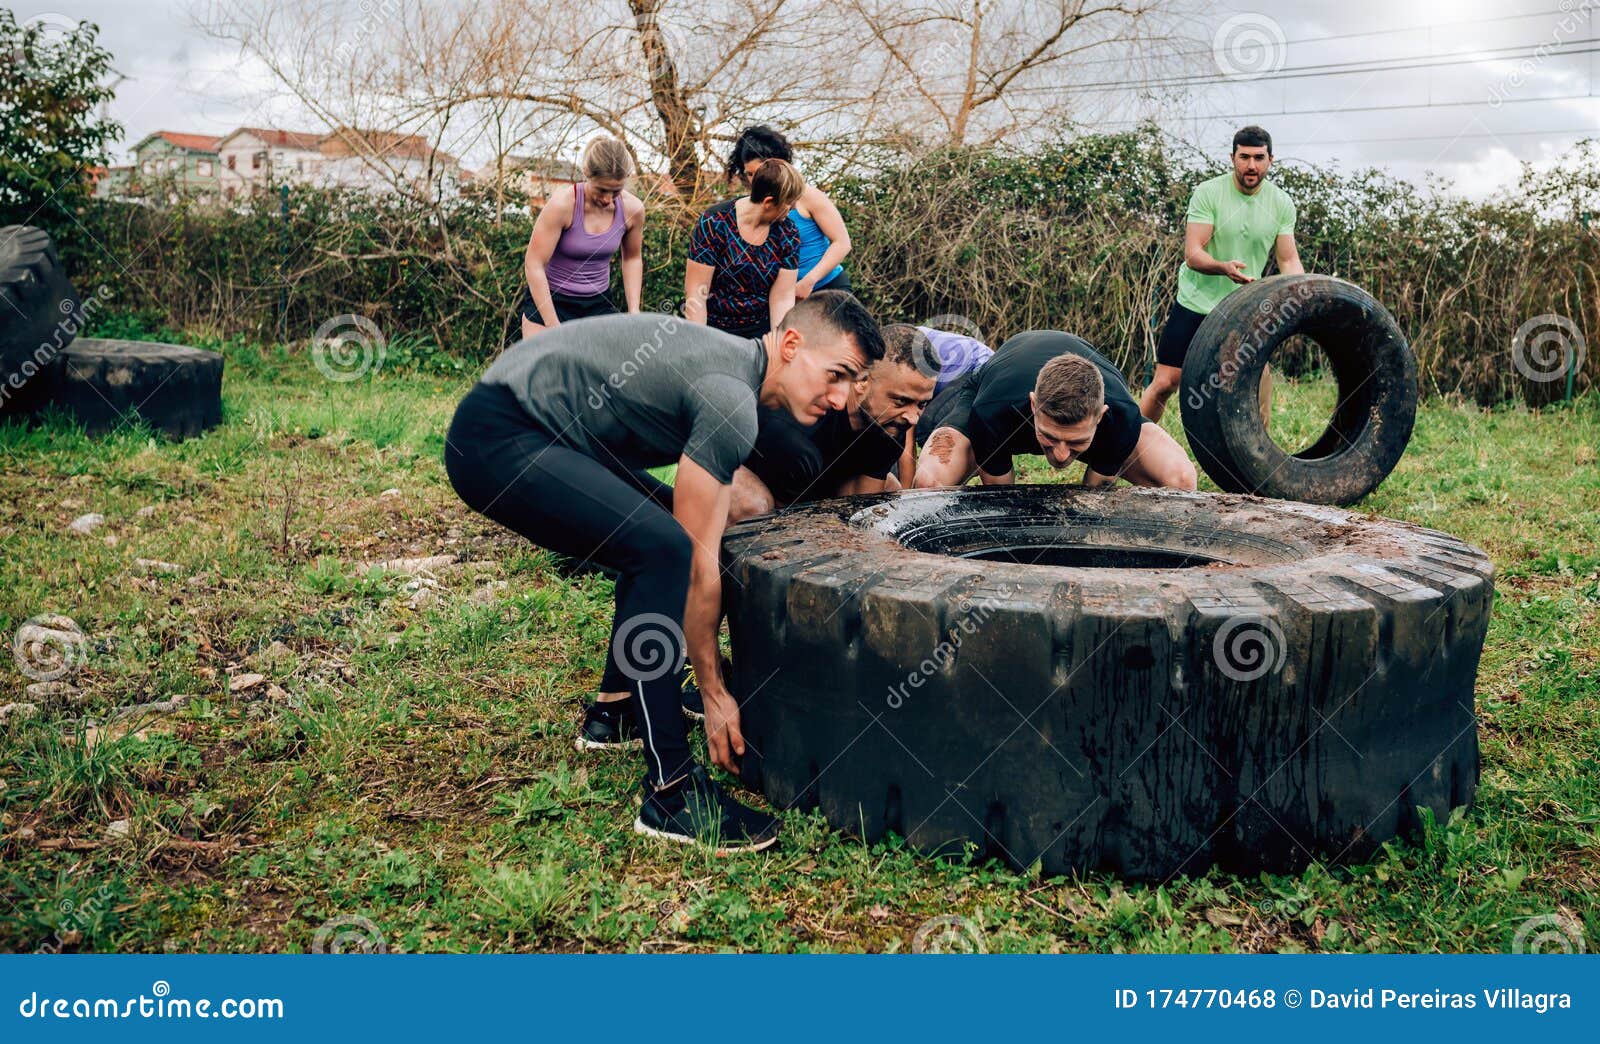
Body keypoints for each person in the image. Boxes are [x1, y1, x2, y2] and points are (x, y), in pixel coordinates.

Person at [444, 292, 883, 852]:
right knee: (663, 550)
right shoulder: (731, 398)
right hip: (501, 437)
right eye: (837, 375)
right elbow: (698, 563)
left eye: (855, 383)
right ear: (792, 345)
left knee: (650, 534)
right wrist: (712, 688)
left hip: (544, 431)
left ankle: (614, 711)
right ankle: (671, 792)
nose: (843, 398)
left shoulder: (733, 373)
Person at [1139, 125, 1303, 424]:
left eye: (1258, 157)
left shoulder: (1281, 203)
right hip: (1196, 302)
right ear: (1232, 158)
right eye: (1244, 157)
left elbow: (1289, 260)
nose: (1251, 165)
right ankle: (1128, 447)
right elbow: (1193, 253)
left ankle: (1255, 465)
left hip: (1243, 307)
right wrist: (1222, 268)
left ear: (1270, 160)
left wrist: (1301, 296)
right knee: (1165, 383)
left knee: (1255, 385)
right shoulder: (1208, 193)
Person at [913, 330, 1197, 491]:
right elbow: (1001, 496)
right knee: (929, 481)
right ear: (1034, 406)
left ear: (1100, 416)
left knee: (1181, 478)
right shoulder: (992, 411)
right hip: (993, 387)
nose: (1060, 456)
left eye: (1075, 442)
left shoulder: (1122, 417)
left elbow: (1094, 498)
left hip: (1097, 394)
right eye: (1050, 437)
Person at [732, 324, 937, 519]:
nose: (913, 418)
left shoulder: (891, 425)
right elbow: (787, 529)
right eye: (902, 401)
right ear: (861, 381)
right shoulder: (798, 429)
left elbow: (861, 511)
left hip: (817, 472)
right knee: (753, 506)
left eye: (921, 405)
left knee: (889, 496)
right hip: (729, 461)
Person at [517, 137, 645, 339]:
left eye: (616, 191)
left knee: (609, 368)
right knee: (547, 367)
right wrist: (552, 324)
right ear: (586, 174)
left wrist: (634, 310)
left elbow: (632, 258)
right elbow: (534, 264)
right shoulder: (562, 205)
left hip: (598, 303)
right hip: (551, 300)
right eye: (601, 190)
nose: (607, 199)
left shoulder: (633, 209)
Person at [725, 125, 854, 298]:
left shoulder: (808, 196)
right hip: (783, 297)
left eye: (760, 171)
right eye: (750, 174)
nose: (756, 180)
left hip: (826, 288)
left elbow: (842, 243)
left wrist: (809, 281)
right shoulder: (750, 205)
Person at [685, 159, 803, 338]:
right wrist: (699, 342)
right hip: (713, 327)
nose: (792, 209)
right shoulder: (714, 222)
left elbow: (782, 297)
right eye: (789, 203)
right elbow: (696, 293)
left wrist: (778, 343)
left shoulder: (788, 232)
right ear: (768, 202)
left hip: (759, 330)